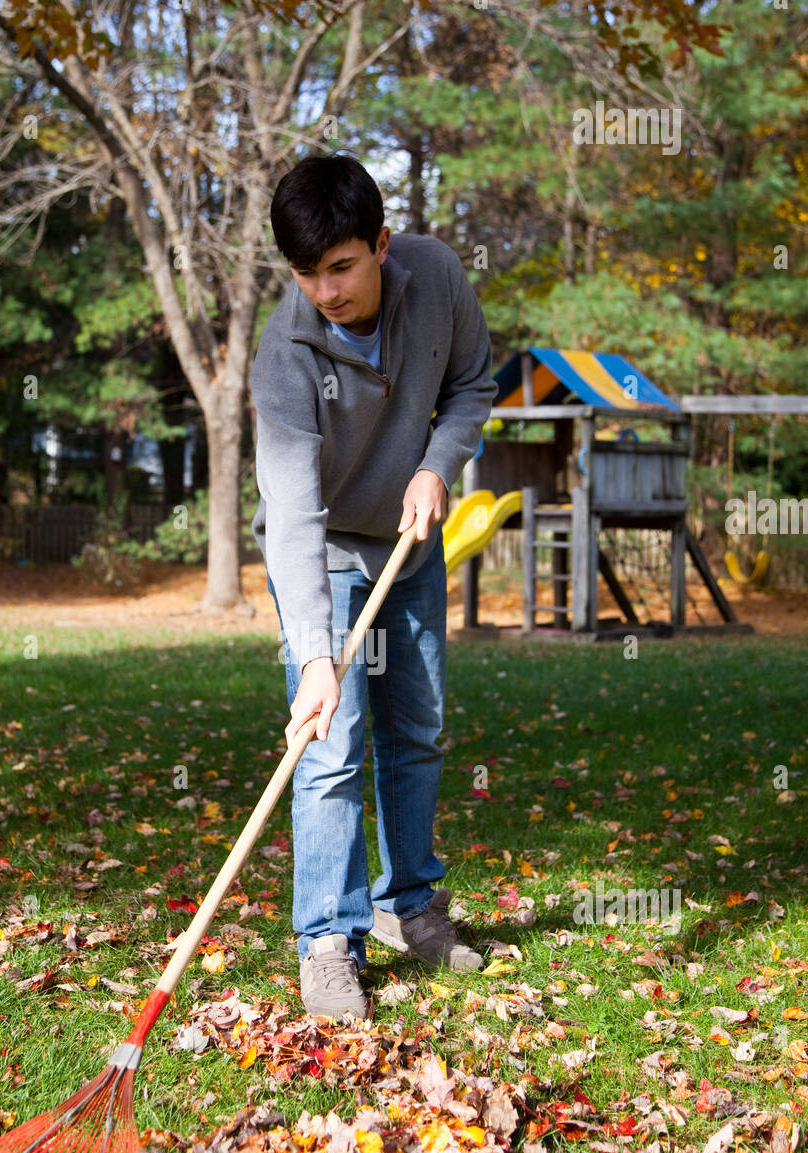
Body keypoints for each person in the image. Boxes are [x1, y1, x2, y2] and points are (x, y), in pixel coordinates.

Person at [250, 152, 495, 1022]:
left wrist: (436, 465)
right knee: (329, 741)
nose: (327, 290)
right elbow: (291, 516)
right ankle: (327, 939)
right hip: (321, 552)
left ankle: (412, 910)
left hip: (407, 539)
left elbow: (472, 385)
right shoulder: (284, 356)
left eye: (342, 267)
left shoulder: (435, 278)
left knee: (415, 727)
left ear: (382, 245)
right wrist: (316, 656)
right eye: (307, 274)